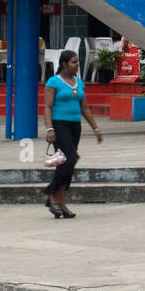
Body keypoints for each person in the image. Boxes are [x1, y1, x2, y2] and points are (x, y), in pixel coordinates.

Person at [43, 49, 102, 218]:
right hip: (59, 124)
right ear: (64, 64)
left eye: (77, 62)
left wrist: (95, 128)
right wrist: (49, 129)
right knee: (70, 157)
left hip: (75, 126)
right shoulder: (53, 82)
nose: (77, 65)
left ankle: (60, 202)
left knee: (67, 163)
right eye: (74, 62)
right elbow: (47, 107)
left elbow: (84, 107)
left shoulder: (78, 82)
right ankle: (52, 194)